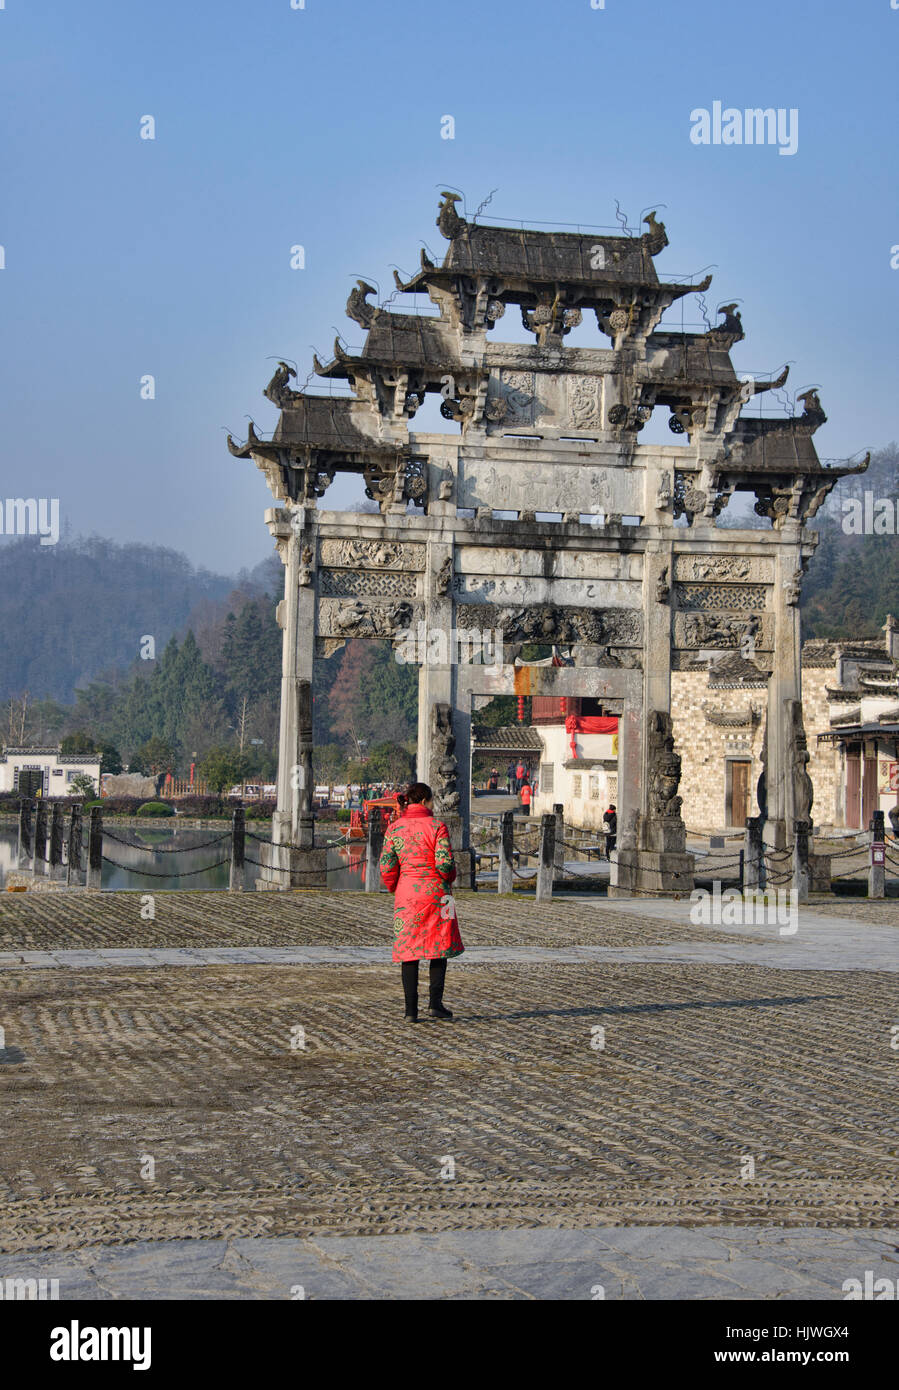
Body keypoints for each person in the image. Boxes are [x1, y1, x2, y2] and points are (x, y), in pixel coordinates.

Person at [379, 781, 463, 1023]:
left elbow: (386, 866)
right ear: (426, 801)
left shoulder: (394, 829)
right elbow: (444, 863)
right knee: (439, 946)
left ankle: (410, 1010)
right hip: (438, 895)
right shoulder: (437, 827)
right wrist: (449, 878)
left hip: (407, 894)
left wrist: (396, 886)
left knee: (409, 950)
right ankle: (435, 1003)